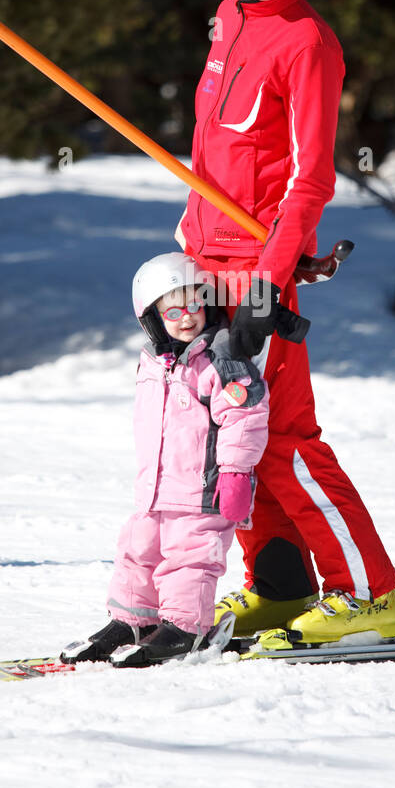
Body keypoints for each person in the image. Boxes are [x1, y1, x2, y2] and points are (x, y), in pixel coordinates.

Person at [175, 0, 395, 647]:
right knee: (234, 439)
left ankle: (368, 594)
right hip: (207, 261)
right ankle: (279, 587)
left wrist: (270, 283)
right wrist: (188, 247)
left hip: (255, 273)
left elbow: (310, 178)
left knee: (285, 438)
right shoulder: (228, 19)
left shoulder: (308, 42)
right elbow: (218, 152)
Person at [61, 254, 269, 668]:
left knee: (190, 557)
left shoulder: (219, 358)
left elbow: (245, 415)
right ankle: (134, 620)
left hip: (201, 489)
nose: (187, 317)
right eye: (173, 310)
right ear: (152, 318)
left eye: (194, 304)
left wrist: (234, 472)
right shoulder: (153, 362)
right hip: (155, 489)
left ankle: (184, 627)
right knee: (138, 551)